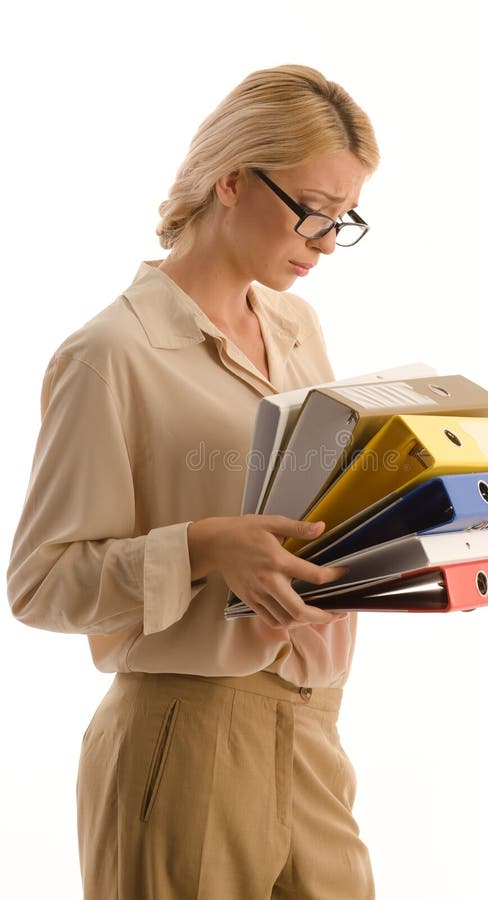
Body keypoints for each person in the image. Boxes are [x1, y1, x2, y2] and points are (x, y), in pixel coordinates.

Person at [6, 64, 380, 899]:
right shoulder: (109, 355)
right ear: (232, 180)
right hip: (187, 736)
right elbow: (39, 585)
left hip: (315, 733)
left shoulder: (297, 326)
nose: (326, 241)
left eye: (343, 217)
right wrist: (203, 548)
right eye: (313, 210)